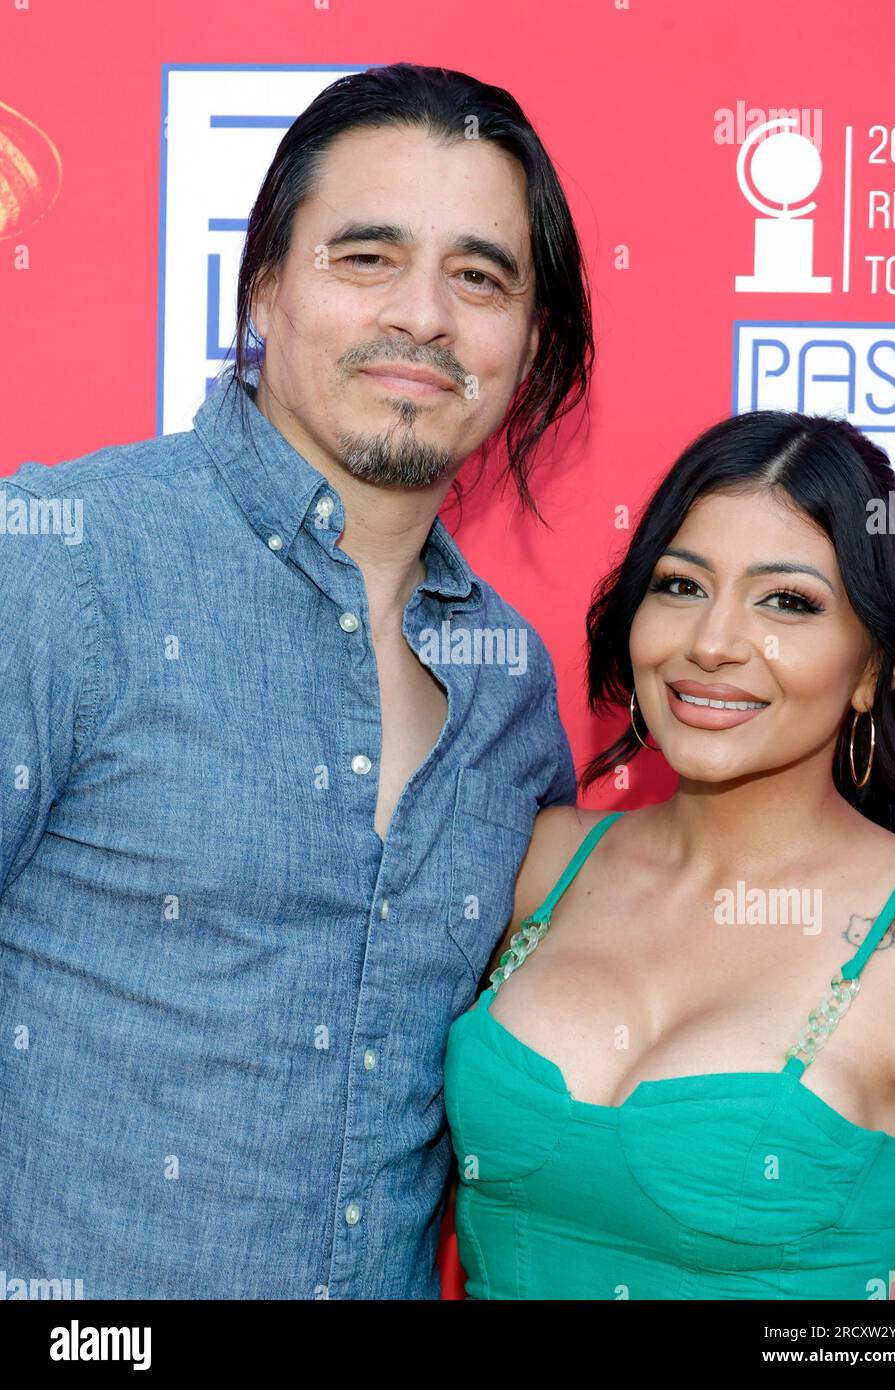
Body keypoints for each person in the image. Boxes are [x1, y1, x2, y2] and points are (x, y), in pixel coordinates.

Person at [0, 63, 593, 1299]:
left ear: (528, 343)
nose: (424, 316)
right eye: (366, 257)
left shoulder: (509, 689)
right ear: (263, 284)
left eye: (479, 277)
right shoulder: (62, 563)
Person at [444, 410, 895, 1300]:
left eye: (786, 601)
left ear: (872, 669)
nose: (711, 643)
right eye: (680, 586)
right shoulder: (540, 861)